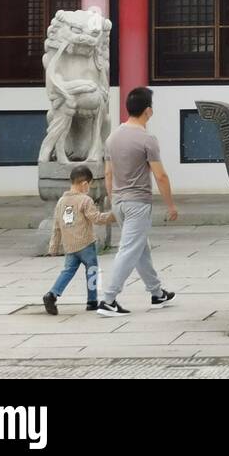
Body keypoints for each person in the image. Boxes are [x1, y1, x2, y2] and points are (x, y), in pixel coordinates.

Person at [97, 87, 178, 317]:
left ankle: (156, 292)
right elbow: (160, 175)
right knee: (129, 250)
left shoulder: (112, 137)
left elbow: (108, 174)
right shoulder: (147, 139)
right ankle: (109, 300)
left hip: (119, 201)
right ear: (148, 111)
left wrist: (113, 201)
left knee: (141, 249)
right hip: (138, 203)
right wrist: (170, 205)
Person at [42, 165, 116, 315]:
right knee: (92, 270)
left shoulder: (61, 202)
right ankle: (92, 301)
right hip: (86, 244)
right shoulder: (85, 200)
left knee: (67, 271)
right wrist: (114, 215)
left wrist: (53, 248)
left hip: (69, 246)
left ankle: (52, 294)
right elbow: (96, 218)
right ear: (85, 184)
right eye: (90, 185)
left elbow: (56, 226)